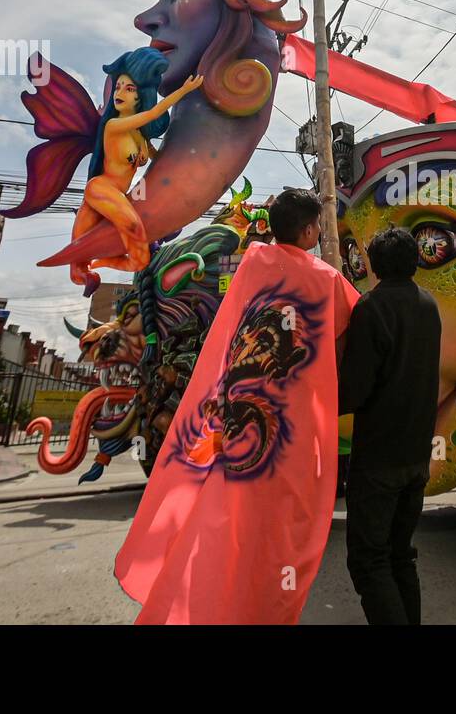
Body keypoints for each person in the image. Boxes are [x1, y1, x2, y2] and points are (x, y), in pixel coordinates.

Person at [115, 187, 359, 623]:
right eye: (318, 226)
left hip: (235, 421)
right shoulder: (328, 279)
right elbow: (351, 329)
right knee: (284, 533)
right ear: (308, 230)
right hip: (294, 436)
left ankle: (215, 606)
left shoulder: (253, 263)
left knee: (227, 523)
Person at [338, 227, 442, 624]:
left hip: (378, 458)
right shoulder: (428, 305)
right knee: (401, 555)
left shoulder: (371, 308)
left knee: (368, 561)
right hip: (416, 455)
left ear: (375, 267)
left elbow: (354, 391)